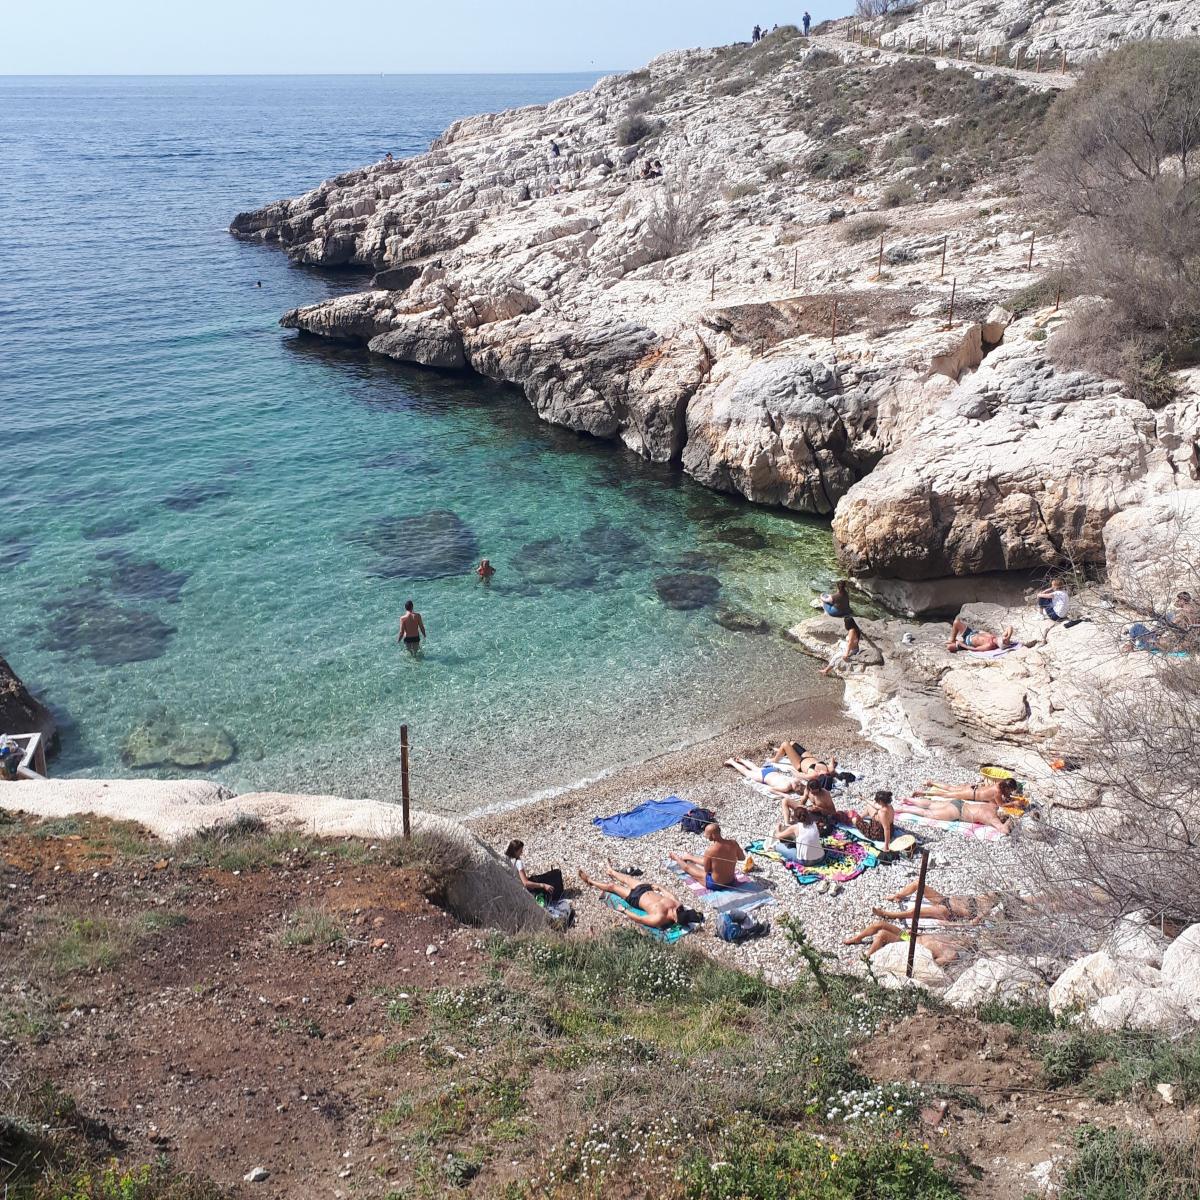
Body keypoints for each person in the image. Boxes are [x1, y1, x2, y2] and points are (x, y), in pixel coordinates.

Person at [577, 865, 700, 929]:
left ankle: (590, 881)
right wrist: (660, 888)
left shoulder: (659, 918)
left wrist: (625, 910)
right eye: (678, 909)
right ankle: (611, 871)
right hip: (645, 889)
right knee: (627, 878)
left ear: (676, 920)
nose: (675, 909)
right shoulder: (677, 906)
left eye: (676, 912)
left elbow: (640, 919)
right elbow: (670, 895)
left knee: (612, 886)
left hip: (635, 898)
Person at [895, 783, 1016, 835]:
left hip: (959, 803)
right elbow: (1003, 830)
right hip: (957, 812)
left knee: (931, 804)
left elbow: (998, 801)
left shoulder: (993, 806)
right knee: (927, 813)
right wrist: (1009, 822)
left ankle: (907, 799)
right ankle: (902, 809)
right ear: (1000, 818)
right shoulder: (992, 818)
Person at [842, 920, 962, 966]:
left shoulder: (951, 954)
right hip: (910, 939)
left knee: (882, 934)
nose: (963, 937)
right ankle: (857, 938)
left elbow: (932, 964)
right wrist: (914, 933)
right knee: (880, 924)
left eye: (965, 940)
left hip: (912, 949)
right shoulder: (947, 937)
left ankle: (867, 960)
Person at [872, 880, 998, 925]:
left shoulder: (985, 911)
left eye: (995, 895)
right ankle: (897, 896)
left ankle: (888, 914)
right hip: (945, 900)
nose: (992, 894)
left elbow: (973, 923)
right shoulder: (983, 897)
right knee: (918, 884)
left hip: (948, 912)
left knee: (916, 911)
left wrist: (952, 924)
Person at [670, 822, 744, 889]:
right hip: (731, 881)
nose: (706, 837)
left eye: (707, 835)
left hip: (716, 884)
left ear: (712, 835)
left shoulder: (710, 851)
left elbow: (707, 870)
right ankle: (689, 857)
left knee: (688, 868)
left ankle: (675, 857)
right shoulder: (733, 843)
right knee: (711, 861)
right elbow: (742, 858)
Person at [947, 616, 1014, 653]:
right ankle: (952, 640)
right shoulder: (996, 638)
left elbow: (976, 649)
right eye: (1006, 638)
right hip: (971, 633)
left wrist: (962, 645)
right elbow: (1010, 627)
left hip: (967, 642)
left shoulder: (989, 645)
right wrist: (1008, 636)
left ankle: (955, 642)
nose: (1004, 638)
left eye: (1005, 640)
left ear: (1001, 643)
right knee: (956, 622)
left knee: (949, 647)